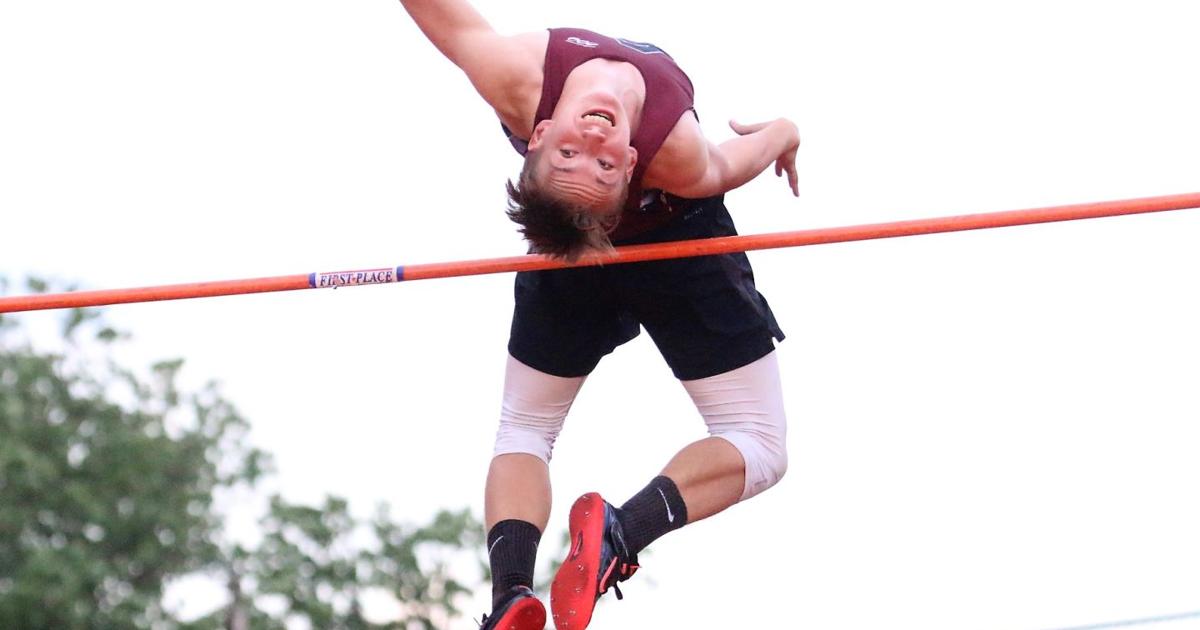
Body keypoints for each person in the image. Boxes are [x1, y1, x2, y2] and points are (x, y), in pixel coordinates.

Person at [398, 2, 798, 629]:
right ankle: (576, 561)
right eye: (595, 162)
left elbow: (439, 16)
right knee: (760, 444)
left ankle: (542, 577)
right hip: (589, 253)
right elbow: (742, 154)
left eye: (596, 163)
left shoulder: (528, 84)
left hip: (632, 242)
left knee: (525, 429)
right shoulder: (666, 150)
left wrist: (784, 131)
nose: (593, 144)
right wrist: (785, 130)